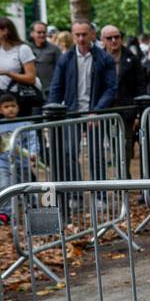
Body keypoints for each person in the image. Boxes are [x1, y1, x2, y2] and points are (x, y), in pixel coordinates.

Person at [48, 20, 118, 189]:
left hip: (95, 112)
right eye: (77, 35)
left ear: (92, 34)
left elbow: (111, 87)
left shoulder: (104, 58)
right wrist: (51, 110)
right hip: (72, 112)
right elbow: (56, 87)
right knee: (70, 153)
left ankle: (99, 194)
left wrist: (97, 110)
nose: (80, 38)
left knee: (96, 154)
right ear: (72, 36)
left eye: (84, 34)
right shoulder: (66, 58)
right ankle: (76, 193)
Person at [100, 25, 146, 177]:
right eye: (109, 38)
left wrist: (139, 112)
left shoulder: (131, 59)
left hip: (127, 110)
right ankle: (121, 175)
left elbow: (140, 85)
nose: (114, 40)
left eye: (117, 37)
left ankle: (123, 176)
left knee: (125, 143)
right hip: (106, 109)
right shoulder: (98, 59)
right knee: (114, 143)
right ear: (103, 40)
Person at [0, 91, 41, 226]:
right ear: (1, 109)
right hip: (3, 163)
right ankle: (6, 214)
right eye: (6, 106)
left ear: (17, 107)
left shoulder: (25, 124)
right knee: (5, 186)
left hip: (22, 164)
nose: (10, 109)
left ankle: (33, 210)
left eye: (13, 105)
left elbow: (32, 140)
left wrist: (33, 153)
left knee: (27, 187)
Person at [0, 18, 41, 118]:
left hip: (18, 100)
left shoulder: (22, 49)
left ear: (5, 31)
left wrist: (8, 73)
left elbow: (31, 78)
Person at [28, 21, 59, 105]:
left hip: (49, 91)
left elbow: (60, 70)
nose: (42, 35)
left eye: (44, 32)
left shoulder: (54, 49)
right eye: (39, 32)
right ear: (32, 34)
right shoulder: (26, 48)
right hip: (31, 91)